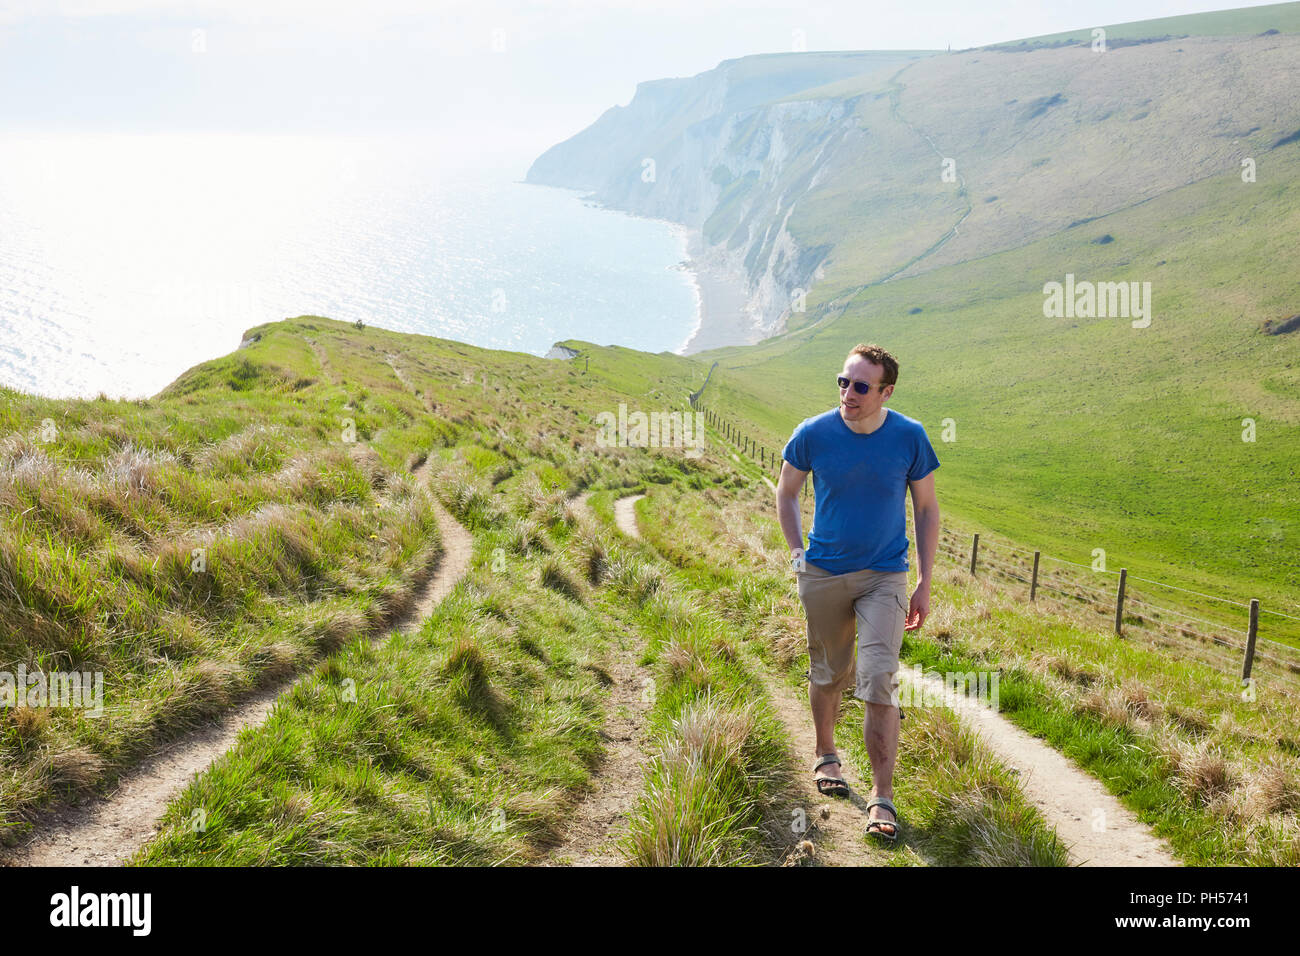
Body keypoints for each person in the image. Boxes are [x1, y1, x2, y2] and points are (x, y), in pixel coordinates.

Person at [775, 343, 940, 842]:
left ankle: (882, 796)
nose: (849, 393)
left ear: (886, 391)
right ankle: (826, 753)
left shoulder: (909, 437)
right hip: (822, 573)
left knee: (878, 678)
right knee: (829, 671)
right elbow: (786, 492)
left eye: (861, 386)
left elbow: (928, 509)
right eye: (843, 382)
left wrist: (924, 581)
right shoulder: (812, 432)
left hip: (884, 576)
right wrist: (797, 552)